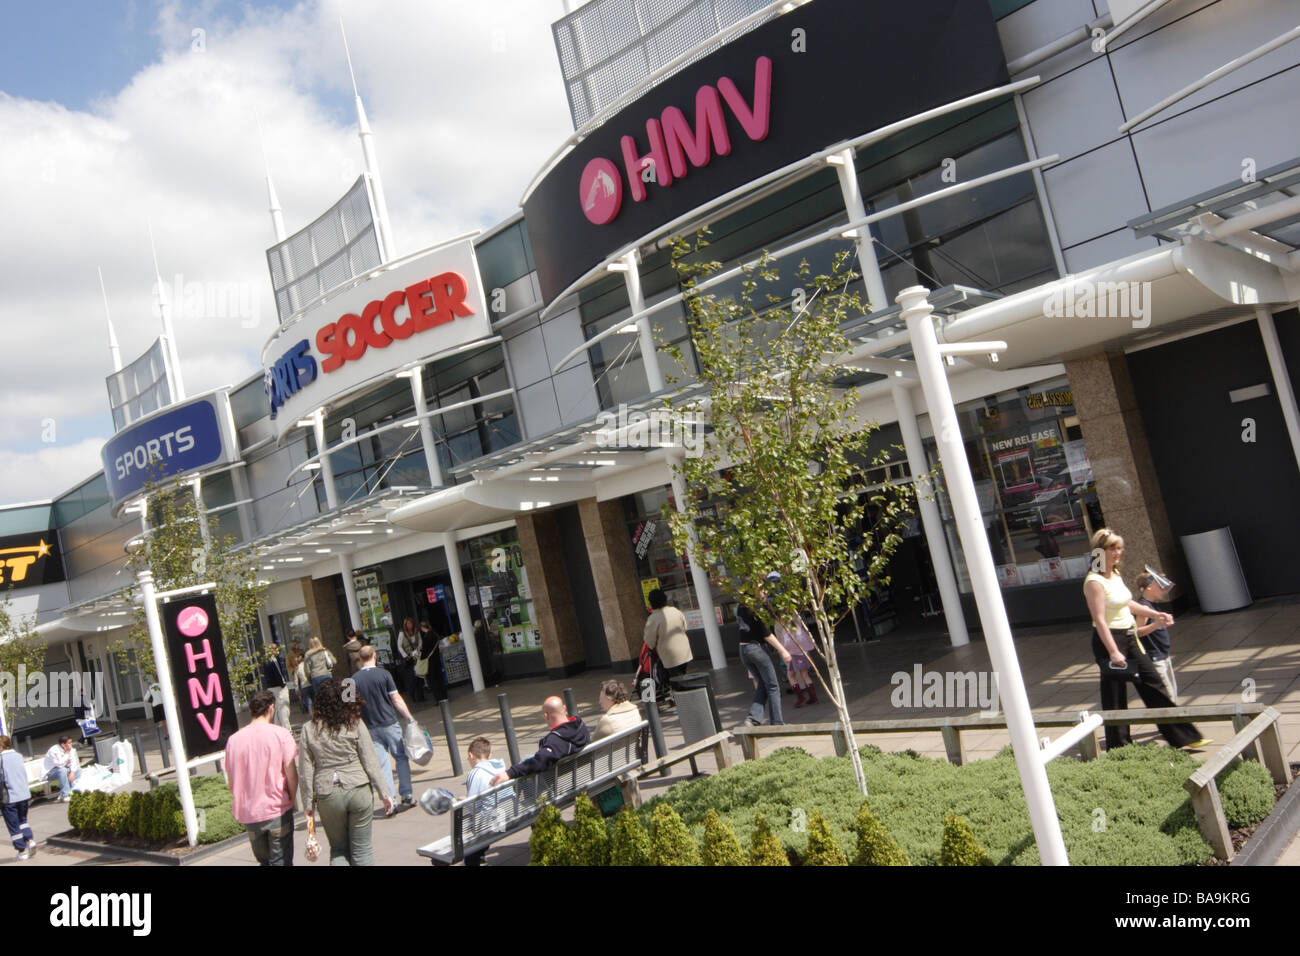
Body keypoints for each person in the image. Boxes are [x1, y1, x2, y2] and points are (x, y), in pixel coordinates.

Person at [1084, 528, 1208, 751]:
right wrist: (1113, 651)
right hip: (1109, 640)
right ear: (1100, 551)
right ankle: (1119, 747)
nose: (1118, 552)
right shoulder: (1094, 581)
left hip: (1130, 637)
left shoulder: (1115, 575)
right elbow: (1100, 620)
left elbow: (1126, 603)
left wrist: (1154, 614)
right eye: (1112, 548)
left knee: (1154, 683)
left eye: (1119, 548)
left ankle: (1184, 737)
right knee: (1115, 697)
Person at [298, 679, 392, 866]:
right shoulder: (354, 723)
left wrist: (308, 804)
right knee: (362, 850)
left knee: (339, 850)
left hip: (327, 793)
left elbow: (305, 771)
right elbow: (370, 761)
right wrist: (385, 793)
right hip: (358, 787)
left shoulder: (308, 730)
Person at [225, 689, 298, 866]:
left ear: (250, 710)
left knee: (264, 862)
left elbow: (231, 781)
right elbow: (292, 775)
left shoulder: (233, 741)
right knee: (281, 861)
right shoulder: (281, 734)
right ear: (271, 708)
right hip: (277, 808)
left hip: (250, 813)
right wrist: (292, 798)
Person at [351, 644, 417, 811]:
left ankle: (390, 801)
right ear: (374, 656)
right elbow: (396, 699)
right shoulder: (384, 674)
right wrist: (409, 717)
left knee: (382, 765)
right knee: (401, 757)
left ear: (360, 659)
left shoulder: (351, 680)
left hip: (369, 728)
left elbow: (349, 707)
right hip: (389, 723)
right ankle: (407, 795)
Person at [489, 696, 589, 785]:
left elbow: (540, 761)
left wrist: (509, 773)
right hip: (583, 774)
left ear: (546, 715)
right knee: (527, 759)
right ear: (564, 708)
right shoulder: (580, 726)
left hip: (561, 784)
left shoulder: (555, 740)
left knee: (523, 771)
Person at [736, 586, 791, 727]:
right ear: (754, 591)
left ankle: (753, 718)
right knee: (772, 686)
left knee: (762, 684)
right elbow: (766, 634)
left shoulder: (741, 607)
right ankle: (777, 723)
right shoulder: (757, 609)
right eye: (762, 589)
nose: (765, 592)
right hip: (756, 649)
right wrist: (783, 651)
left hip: (743, 649)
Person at [463, 736, 508, 867]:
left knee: (471, 825)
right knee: (486, 814)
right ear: (489, 755)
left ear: (471, 755)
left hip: (494, 823)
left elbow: (473, 807)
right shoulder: (501, 768)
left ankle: (474, 859)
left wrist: (464, 801)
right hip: (511, 815)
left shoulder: (475, 773)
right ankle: (480, 854)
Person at [1135, 571, 1178, 702]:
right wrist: (1157, 624)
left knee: (1173, 694)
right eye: (1160, 586)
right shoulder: (1144, 607)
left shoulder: (1154, 605)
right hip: (1155, 658)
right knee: (1168, 696)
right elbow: (1138, 632)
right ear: (1149, 587)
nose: (1164, 590)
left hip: (1163, 655)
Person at [643, 589, 692, 678]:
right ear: (665, 599)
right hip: (685, 651)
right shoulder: (675, 611)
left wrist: (652, 646)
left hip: (669, 655)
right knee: (681, 673)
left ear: (651, 603)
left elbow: (650, 640)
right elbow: (685, 627)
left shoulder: (653, 618)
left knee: (674, 678)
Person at [1, 735, 35, 861]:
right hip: (23, 794)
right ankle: (29, 839)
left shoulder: (1, 759)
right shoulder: (18, 756)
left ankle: (22, 851)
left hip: (9, 797)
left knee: (13, 825)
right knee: (22, 820)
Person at [777, 614, 818, 708]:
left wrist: (785, 652)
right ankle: (813, 696)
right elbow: (807, 639)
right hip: (804, 653)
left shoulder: (786, 630)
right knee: (805, 674)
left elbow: (787, 644)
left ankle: (800, 697)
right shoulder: (797, 626)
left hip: (795, 655)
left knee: (790, 675)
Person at [262, 643, 291, 731]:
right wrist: (282, 684)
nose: (277, 651)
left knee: (278, 710)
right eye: (275, 649)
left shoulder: (274, 660)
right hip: (277, 688)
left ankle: (278, 729)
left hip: (274, 687)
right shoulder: (271, 661)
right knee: (283, 709)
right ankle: (287, 729)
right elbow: (277, 675)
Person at [43, 735, 80, 801]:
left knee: (78, 770)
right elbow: (59, 764)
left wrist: (72, 772)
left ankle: (73, 791)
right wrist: (67, 753)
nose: (71, 744)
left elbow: (73, 762)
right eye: (69, 743)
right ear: (63, 744)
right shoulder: (53, 750)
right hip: (50, 772)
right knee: (62, 770)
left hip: (64, 769)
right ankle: (65, 795)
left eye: (71, 742)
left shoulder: (71, 749)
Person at [302, 637, 336, 705]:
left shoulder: (308, 654)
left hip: (316, 677)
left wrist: (309, 679)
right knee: (330, 695)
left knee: (320, 698)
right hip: (327, 674)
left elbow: (307, 670)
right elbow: (334, 661)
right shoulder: (325, 650)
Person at [419, 620, 446, 703]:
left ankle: (439, 699)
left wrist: (421, 657)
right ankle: (444, 696)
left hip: (430, 662)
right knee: (439, 679)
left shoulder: (426, 637)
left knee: (433, 681)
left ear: (423, 628)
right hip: (437, 660)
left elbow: (424, 651)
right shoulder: (435, 635)